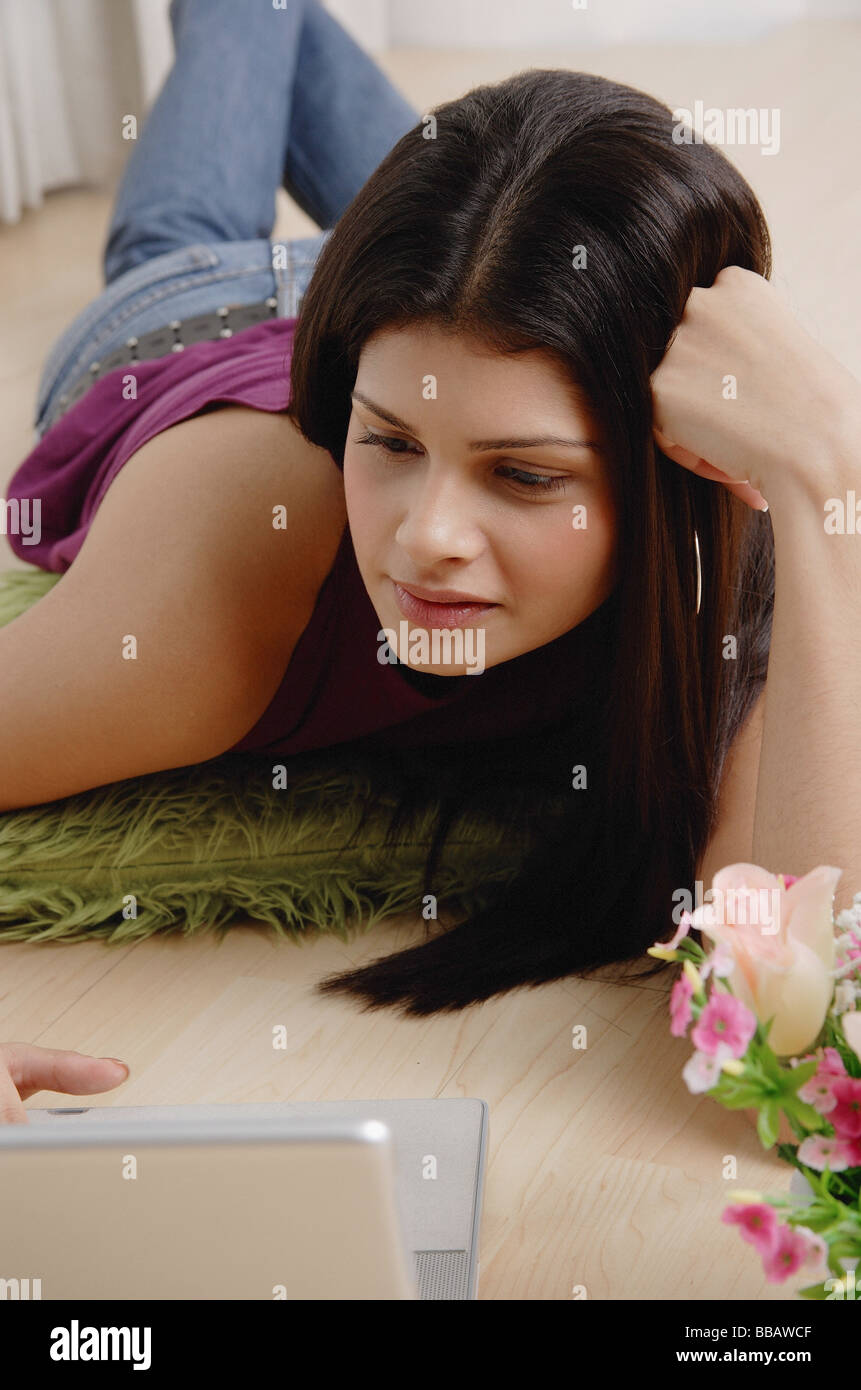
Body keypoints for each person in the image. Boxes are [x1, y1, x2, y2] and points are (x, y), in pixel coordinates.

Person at [2, 0, 859, 1020]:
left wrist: (827, 481)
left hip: (444, 335)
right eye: (392, 450)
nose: (424, 540)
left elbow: (803, 1036)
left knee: (506, 202)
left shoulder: (733, 529)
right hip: (194, 321)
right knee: (176, 234)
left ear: (682, 462)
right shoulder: (227, 579)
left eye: (526, 476)